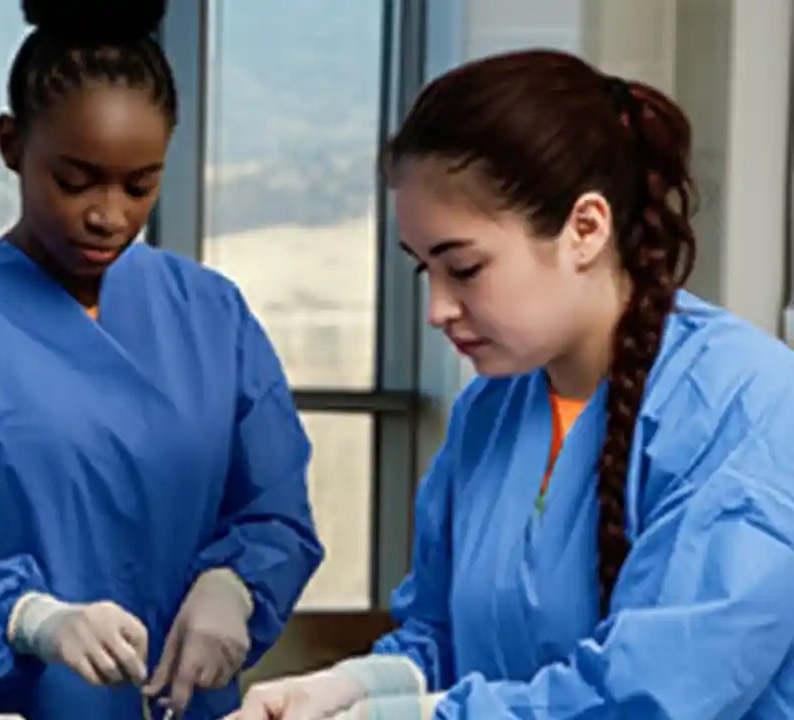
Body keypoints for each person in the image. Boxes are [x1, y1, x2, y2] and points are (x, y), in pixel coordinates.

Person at [227, 48, 794, 720]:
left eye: (463, 269)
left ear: (586, 228)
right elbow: (441, 639)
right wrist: (355, 689)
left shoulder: (750, 409)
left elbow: (652, 696)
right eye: (423, 272)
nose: (437, 309)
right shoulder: (491, 413)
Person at [0, 0, 324, 718]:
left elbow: (275, 512)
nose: (109, 216)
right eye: (75, 180)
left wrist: (236, 585)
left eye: (140, 185)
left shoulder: (213, 315)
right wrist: (25, 619)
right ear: (10, 144)